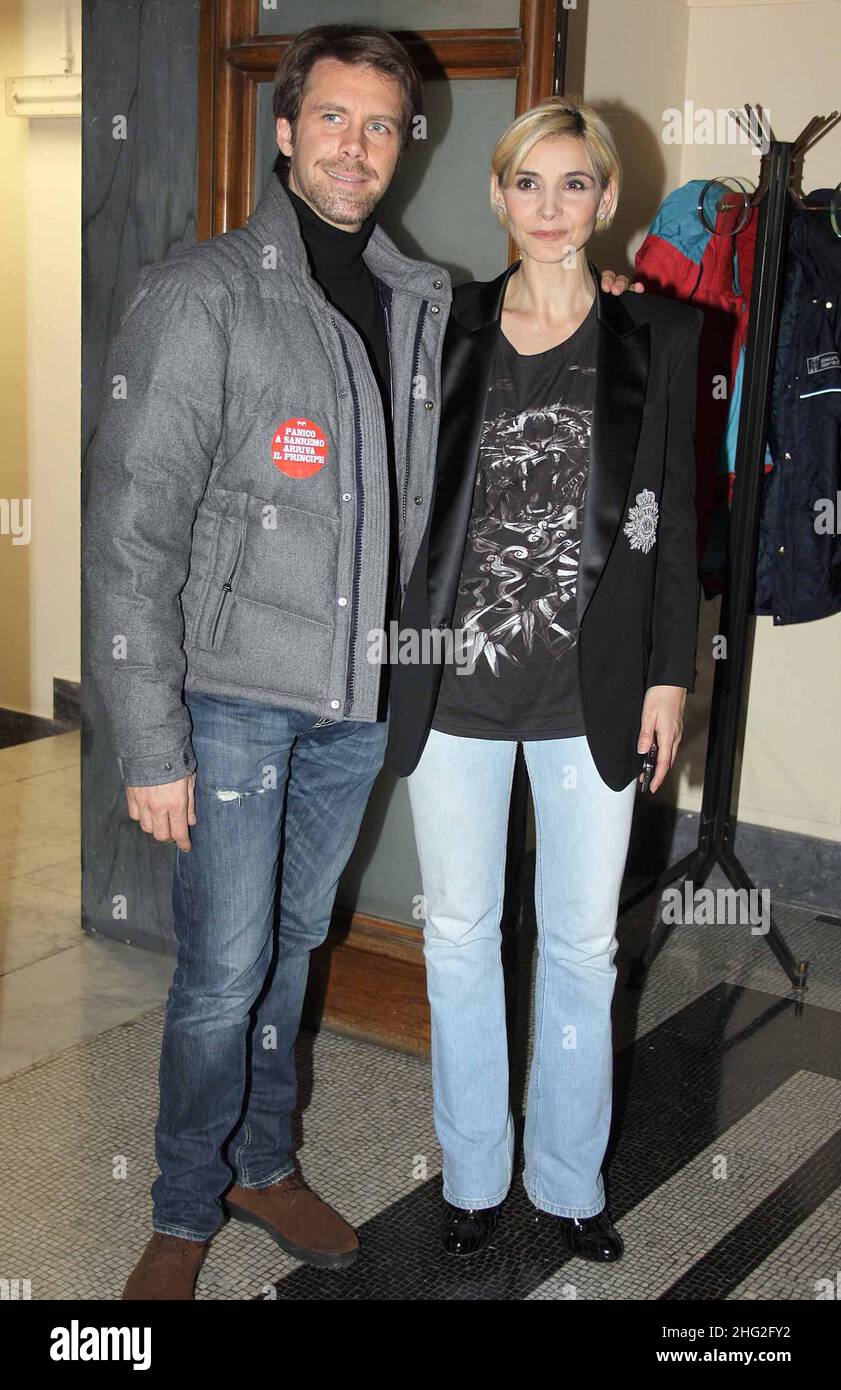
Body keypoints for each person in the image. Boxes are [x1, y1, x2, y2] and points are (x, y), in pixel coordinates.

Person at [85, 20, 639, 1299]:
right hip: (229, 701)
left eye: (381, 125)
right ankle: (180, 1202)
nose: (356, 145)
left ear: (405, 148)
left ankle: (262, 1160)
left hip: (354, 704)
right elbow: (130, 531)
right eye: (331, 118)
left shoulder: (425, 301)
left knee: (293, 945)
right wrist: (149, 739)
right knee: (222, 967)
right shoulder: (201, 293)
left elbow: (530, 361)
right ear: (285, 134)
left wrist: (606, 306)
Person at [386, 98, 703, 1260]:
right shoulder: (445, 326)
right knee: (461, 937)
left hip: (593, 691)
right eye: (530, 184)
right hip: (455, 691)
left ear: (607, 200)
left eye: (576, 185)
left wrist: (670, 675)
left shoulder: (658, 339)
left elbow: (673, 525)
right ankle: (473, 1177)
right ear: (499, 196)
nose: (552, 208)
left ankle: (567, 1184)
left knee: (578, 947)